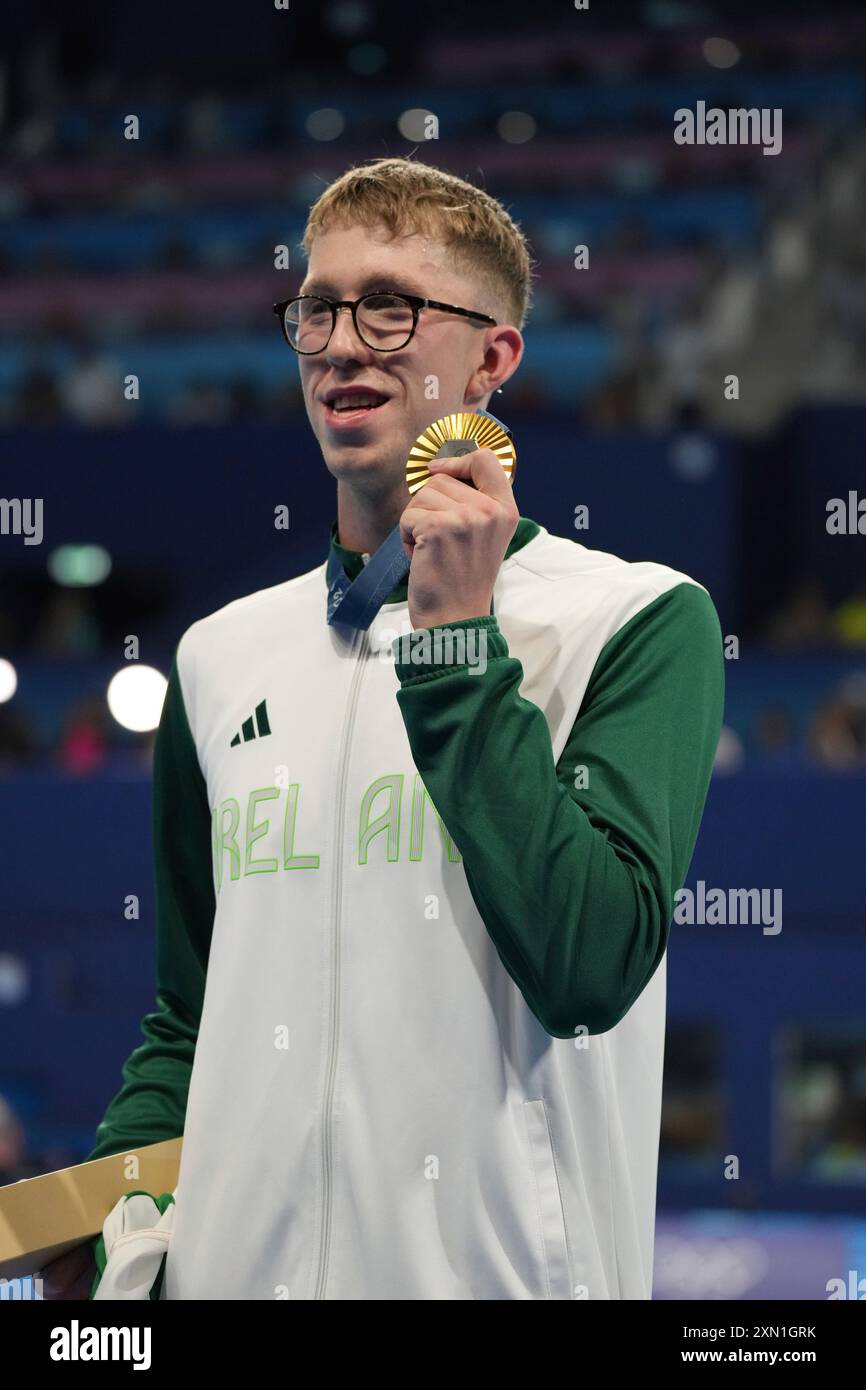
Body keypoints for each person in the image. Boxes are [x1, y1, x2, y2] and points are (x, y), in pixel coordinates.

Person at [43, 156, 723, 1300]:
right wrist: (108, 1223)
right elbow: (188, 1016)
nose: (343, 343)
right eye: (317, 308)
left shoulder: (635, 619)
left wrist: (455, 641)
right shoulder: (218, 656)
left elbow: (588, 964)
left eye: (391, 307)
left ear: (492, 357)